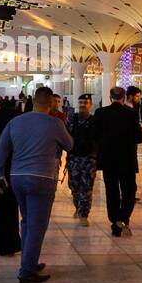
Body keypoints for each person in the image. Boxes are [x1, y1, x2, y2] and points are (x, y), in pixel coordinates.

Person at [0, 86, 73, 283]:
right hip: (42, 178)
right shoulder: (55, 123)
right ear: (50, 103)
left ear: (33, 101)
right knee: (37, 225)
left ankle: (29, 261)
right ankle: (27, 271)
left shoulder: (16, 122)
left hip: (17, 178)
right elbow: (70, 145)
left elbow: (1, 150)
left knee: (27, 221)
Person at [94, 86, 142, 237]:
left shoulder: (100, 113)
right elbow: (139, 138)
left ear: (110, 98)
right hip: (127, 160)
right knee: (129, 191)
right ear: (124, 98)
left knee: (112, 192)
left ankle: (115, 220)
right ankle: (123, 218)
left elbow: (95, 135)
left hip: (108, 160)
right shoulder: (131, 114)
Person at [0, 99, 23, 257]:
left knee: (1, 208)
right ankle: (12, 243)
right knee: (12, 208)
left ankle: (1, 244)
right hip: (15, 168)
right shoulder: (18, 121)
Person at [65, 93, 97, 225]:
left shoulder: (94, 121)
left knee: (86, 187)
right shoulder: (72, 119)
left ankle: (84, 214)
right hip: (74, 158)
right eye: (81, 103)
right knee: (74, 186)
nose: (83, 105)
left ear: (90, 104)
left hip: (89, 159)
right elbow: (65, 134)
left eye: (85, 103)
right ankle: (78, 207)